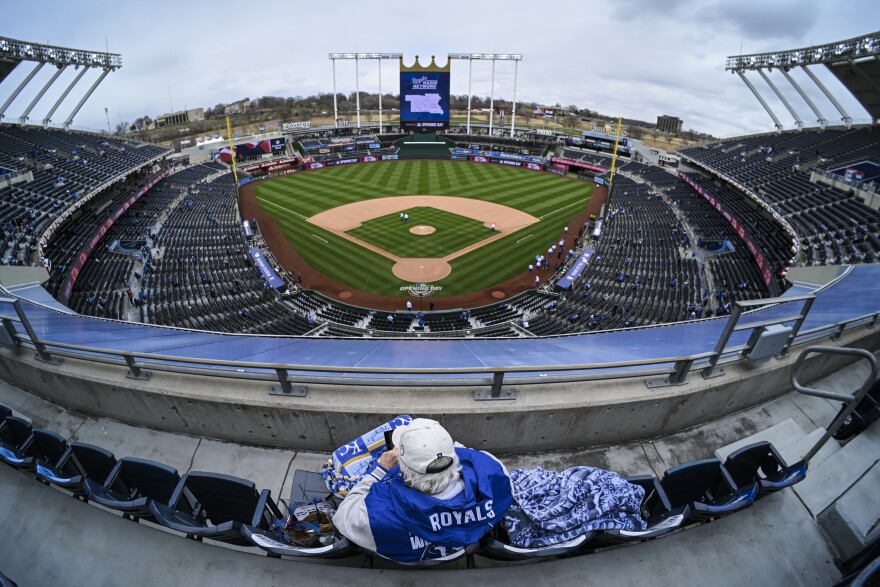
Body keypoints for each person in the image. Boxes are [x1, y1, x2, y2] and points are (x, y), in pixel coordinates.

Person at [333, 419, 513, 563]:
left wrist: (381, 467)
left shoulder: (371, 517)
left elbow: (343, 514)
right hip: (458, 551)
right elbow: (475, 459)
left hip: (407, 558)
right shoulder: (496, 474)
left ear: (403, 470)